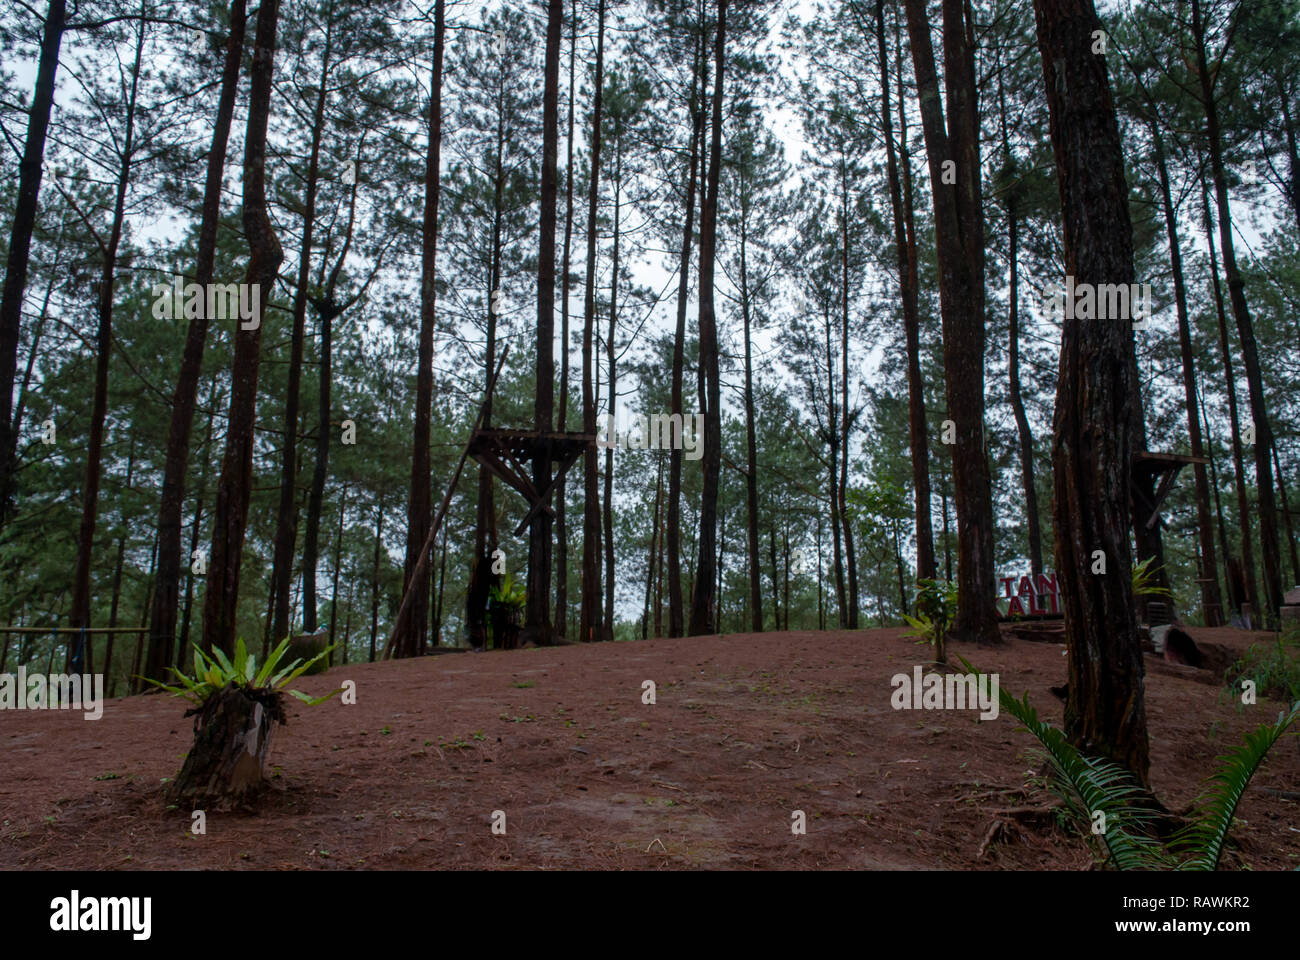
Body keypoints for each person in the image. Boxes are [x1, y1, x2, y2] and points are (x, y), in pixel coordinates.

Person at [465, 553, 499, 651]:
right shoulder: (484, 571)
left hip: (479, 601)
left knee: (478, 622)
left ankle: (478, 646)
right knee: (477, 622)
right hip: (478, 601)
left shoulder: (484, 572)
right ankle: (477, 645)